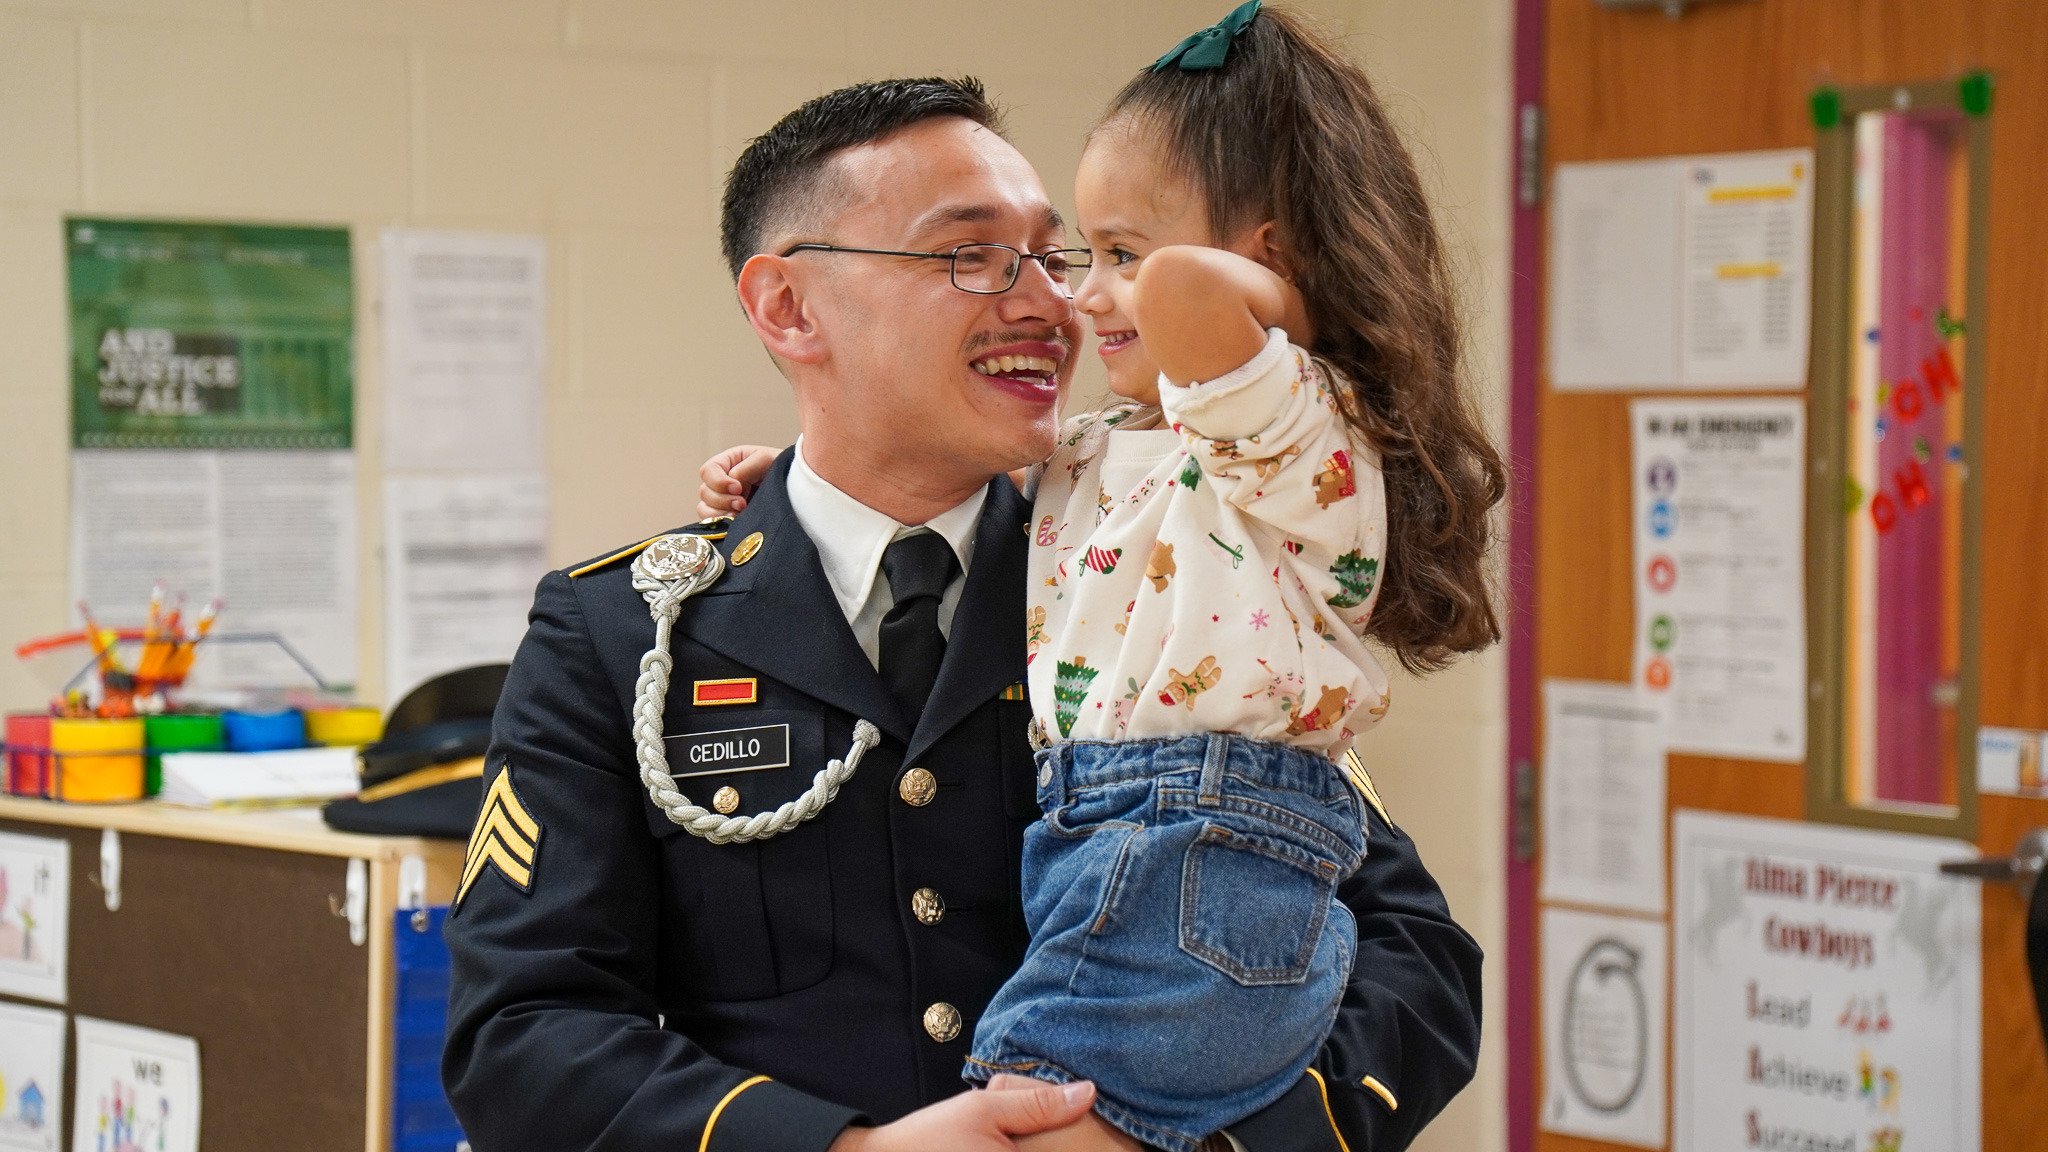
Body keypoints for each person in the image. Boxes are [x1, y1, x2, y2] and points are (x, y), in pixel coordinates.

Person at [448, 73, 1480, 1152]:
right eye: (971, 256)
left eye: (1052, 253)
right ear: (788, 306)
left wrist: (1185, 1140)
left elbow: (1416, 957)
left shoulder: (1160, 570)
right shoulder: (619, 632)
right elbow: (523, 1033)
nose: (1048, 301)